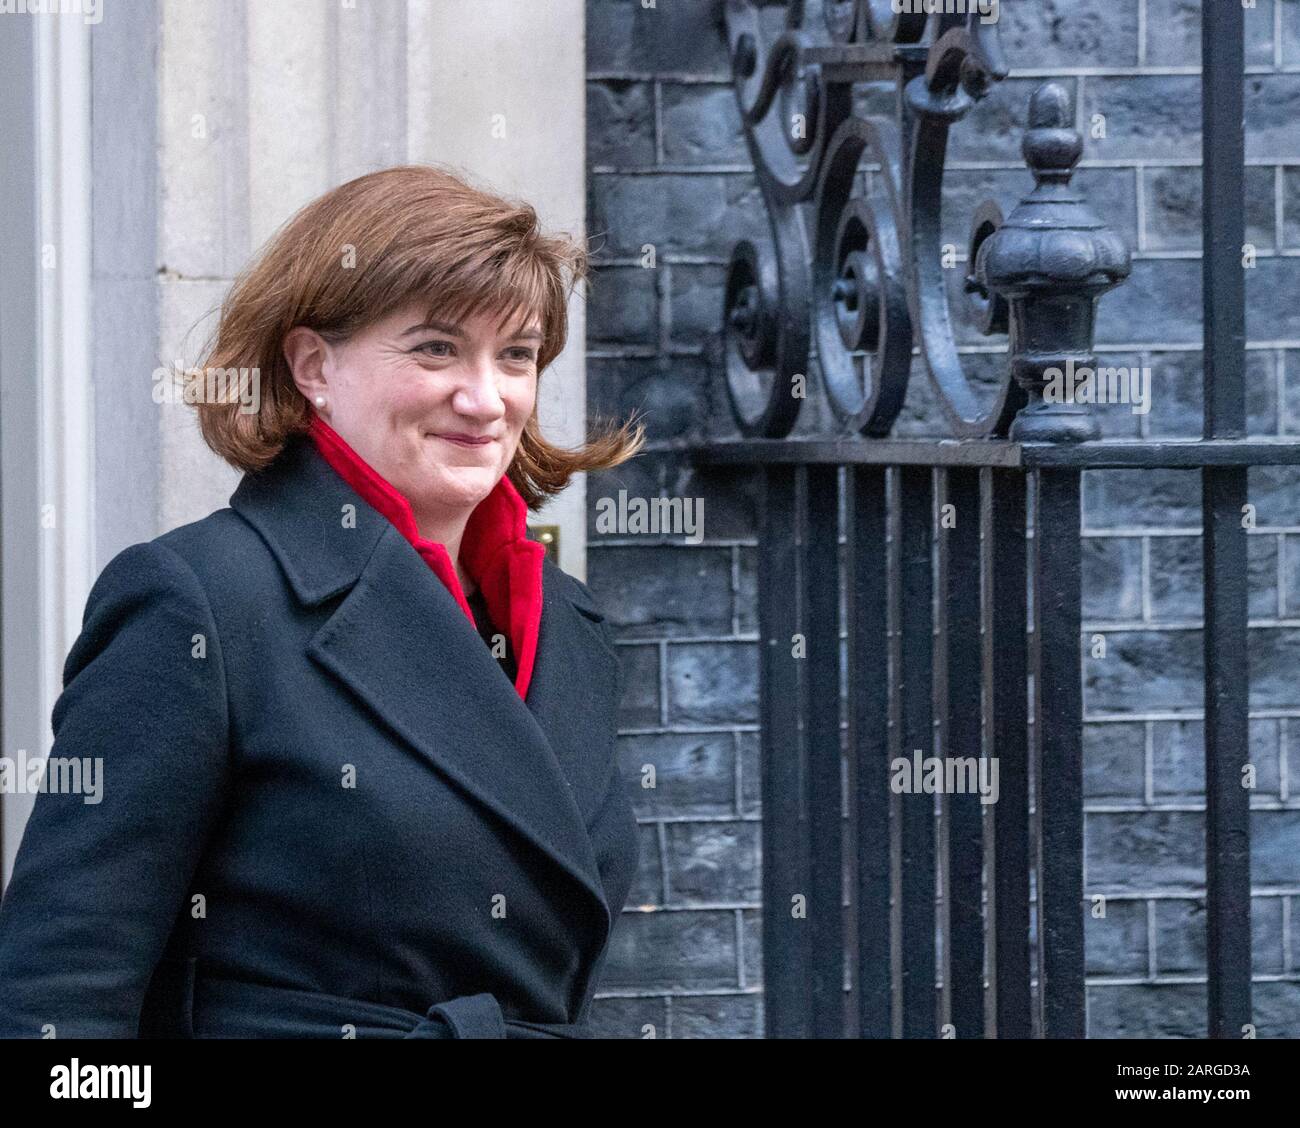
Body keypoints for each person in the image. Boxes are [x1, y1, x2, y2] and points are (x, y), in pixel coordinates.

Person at [0, 165, 645, 1039]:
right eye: (435, 348)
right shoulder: (202, 602)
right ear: (313, 366)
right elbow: (58, 995)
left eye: (517, 356)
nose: (486, 399)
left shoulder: (565, 624)